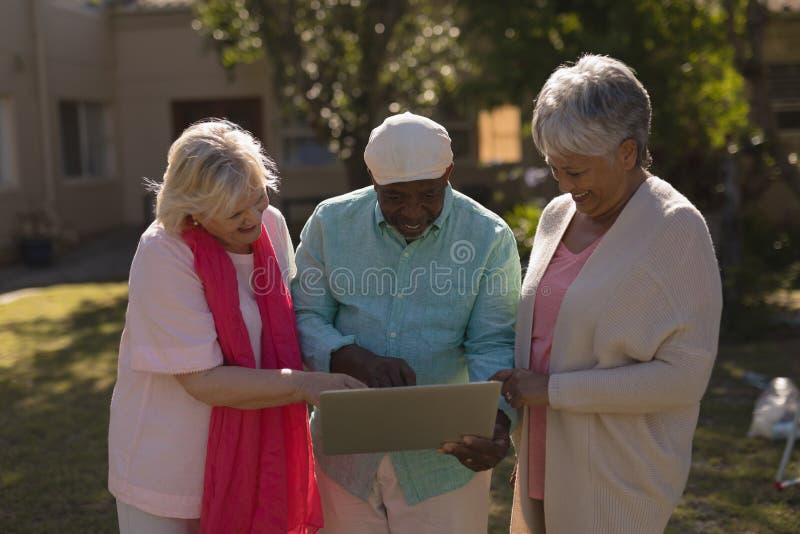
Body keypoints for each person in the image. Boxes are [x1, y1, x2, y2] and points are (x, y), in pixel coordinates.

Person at [490, 54, 723, 533]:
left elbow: (683, 380)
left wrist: (553, 391)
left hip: (616, 478)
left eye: (576, 171)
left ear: (628, 153)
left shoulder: (675, 228)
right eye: (556, 169)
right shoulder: (558, 215)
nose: (564, 185)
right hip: (541, 463)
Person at [107, 119, 364, 534]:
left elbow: (289, 322)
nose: (253, 219)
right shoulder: (164, 251)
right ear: (192, 209)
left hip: (258, 458)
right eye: (233, 213)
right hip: (169, 464)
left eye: (258, 198)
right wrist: (303, 385)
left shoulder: (273, 225)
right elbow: (203, 380)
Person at [290, 111, 521, 534]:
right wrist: (351, 357)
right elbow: (305, 315)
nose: (413, 211)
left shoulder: (489, 237)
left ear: (449, 174)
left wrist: (498, 421)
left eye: (429, 194)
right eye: (394, 198)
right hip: (344, 461)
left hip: (444, 465)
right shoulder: (330, 223)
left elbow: (493, 343)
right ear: (374, 181)